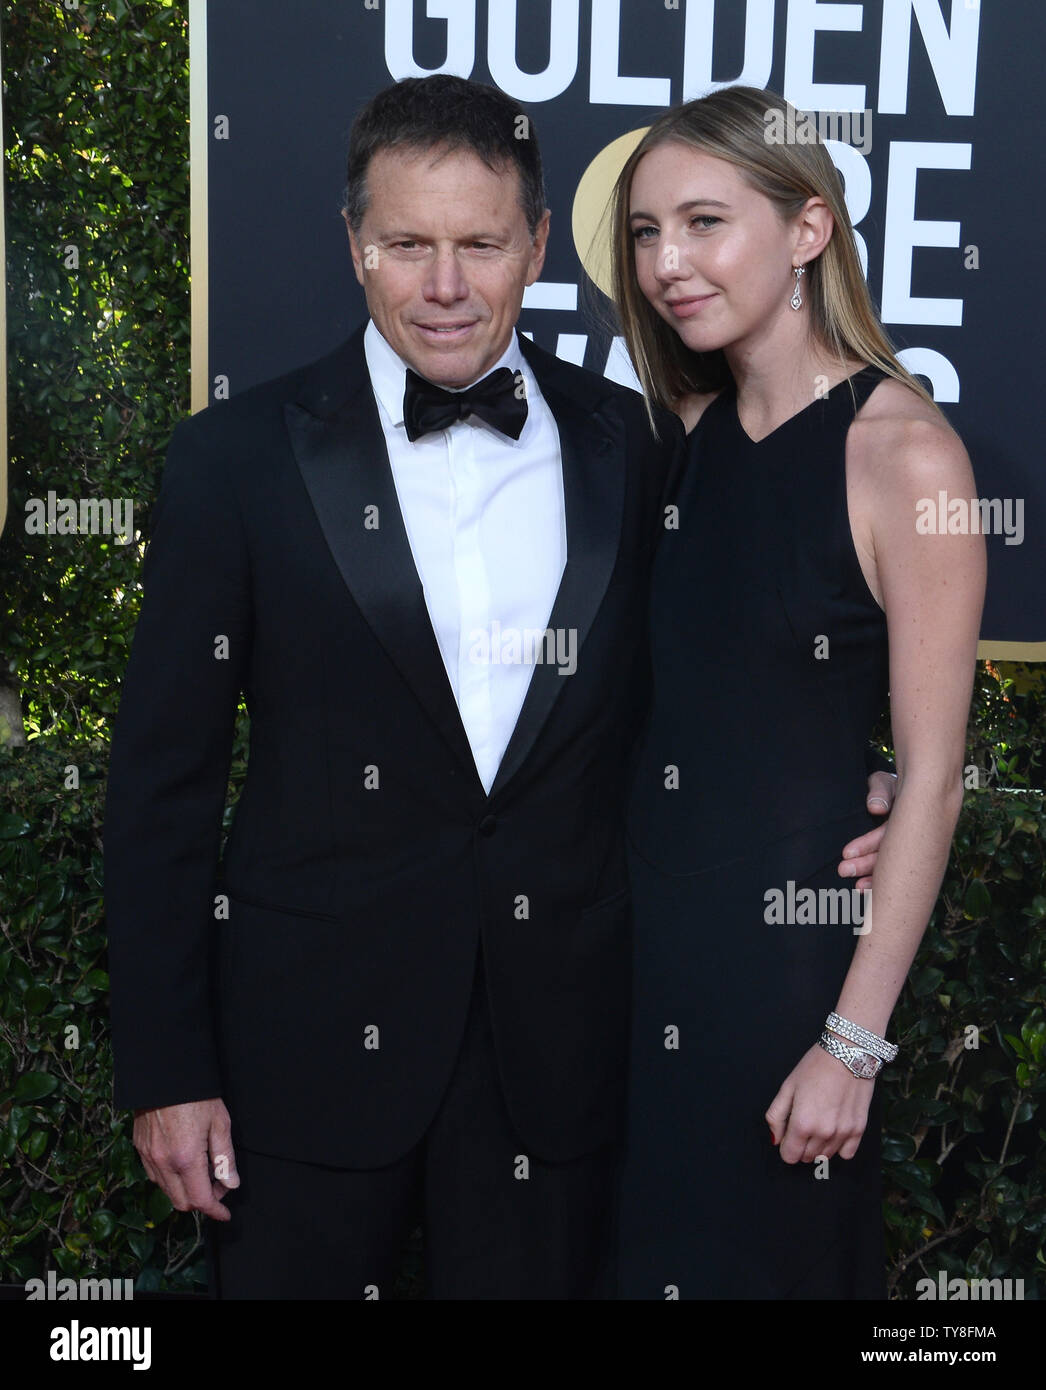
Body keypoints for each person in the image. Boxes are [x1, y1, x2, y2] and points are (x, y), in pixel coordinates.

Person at [103, 76, 892, 1300]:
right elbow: (158, 783)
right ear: (353, 243)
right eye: (407, 244)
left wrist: (854, 771)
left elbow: (708, 671)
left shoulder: (632, 442)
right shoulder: (235, 458)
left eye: (479, 244)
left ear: (536, 244)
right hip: (300, 1062)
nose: (444, 285)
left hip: (560, 1063)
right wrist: (165, 1066)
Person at [609, 84, 985, 1299]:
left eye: (704, 222)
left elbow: (931, 775)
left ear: (808, 229)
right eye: (647, 231)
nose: (668, 262)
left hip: (783, 980)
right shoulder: (676, 430)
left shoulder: (903, 453)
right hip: (629, 955)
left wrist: (850, 1045)